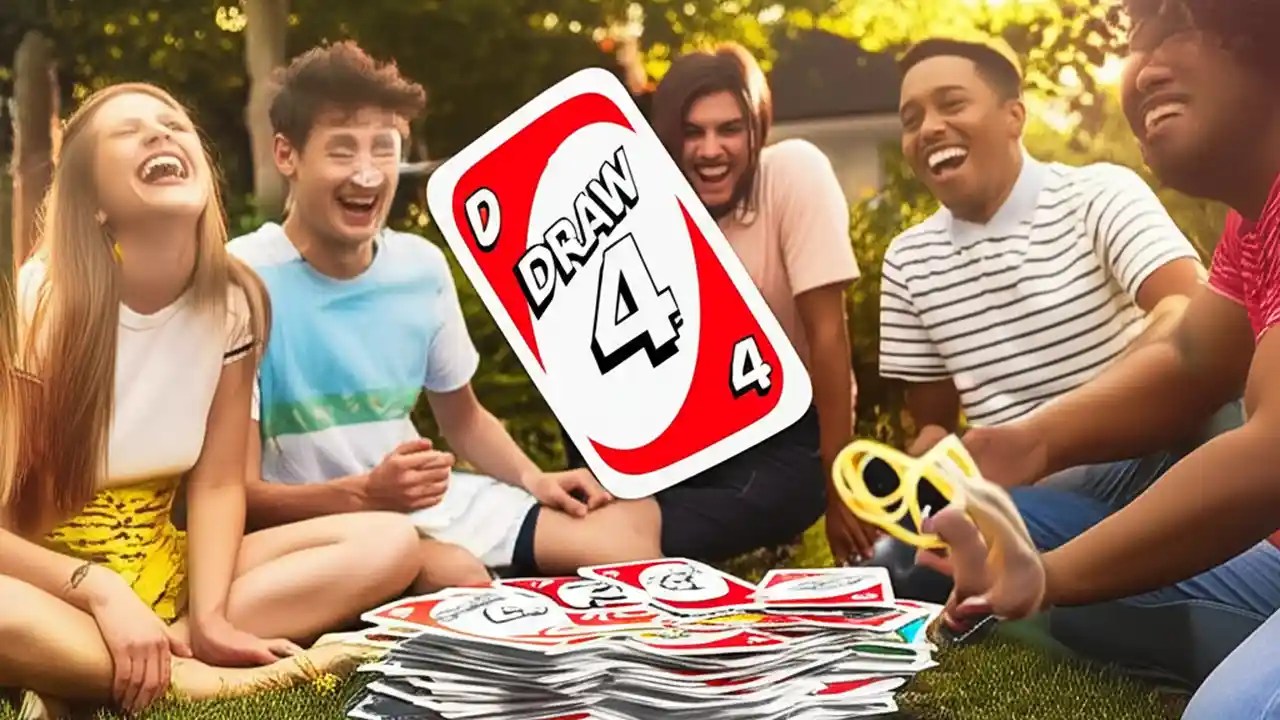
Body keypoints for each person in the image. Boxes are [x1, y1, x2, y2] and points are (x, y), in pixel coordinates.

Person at [0, 82, 420, 716]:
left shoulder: (233, 302)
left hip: (166, 569)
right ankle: (197, 680)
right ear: (94, 206)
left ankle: (114, 659)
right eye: (129, 130)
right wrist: (97, 591)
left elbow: (221, 484)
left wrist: (215, 616)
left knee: (391, 542)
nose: (161, 133)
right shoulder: (41, 305)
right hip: (51, 576)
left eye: (174, 123)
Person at [917, 0, 1280, 712]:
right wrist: (1030, 443)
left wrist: (1048, 578)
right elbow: (1189, 357)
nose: (1139, 70)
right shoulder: (1252, 221)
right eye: (1135, 43)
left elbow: (1271, 455)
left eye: (1176, 29)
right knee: (958, 546)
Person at [228, 41, 663, 591]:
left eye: (383, 149)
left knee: (630, 523)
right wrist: (366, 494)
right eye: (342, 151)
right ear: (286, 155)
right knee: (461, 578)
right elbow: (234, 493)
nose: (367, 174)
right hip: (324, 527)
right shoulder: (242, 278)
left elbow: (464, 419)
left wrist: (535, 478)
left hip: (420, 503)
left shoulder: (420, 268)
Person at [867, 35, 1241, 604]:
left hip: (1143, 455)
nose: (930, 128)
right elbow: (934, 425)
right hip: (1025, 490)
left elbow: (1187, 309)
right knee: (906, 552)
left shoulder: (1098, 193)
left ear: (1013, 116)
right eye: (912, 118)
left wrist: (1058, 430)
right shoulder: (909, 260)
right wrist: (917, 469)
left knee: (1219, 421)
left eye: (951, 104)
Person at [645, 43, 866, 565]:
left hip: (789, 433)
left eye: (729, 129)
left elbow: (828, 335)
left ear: (757, 129)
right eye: (692, 132)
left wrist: (841, 487)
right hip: (695, 433)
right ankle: (616, 525)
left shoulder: (792, 172)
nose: (710, 149)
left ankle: (630, 538)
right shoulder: (650, 208)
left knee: (688, 527)